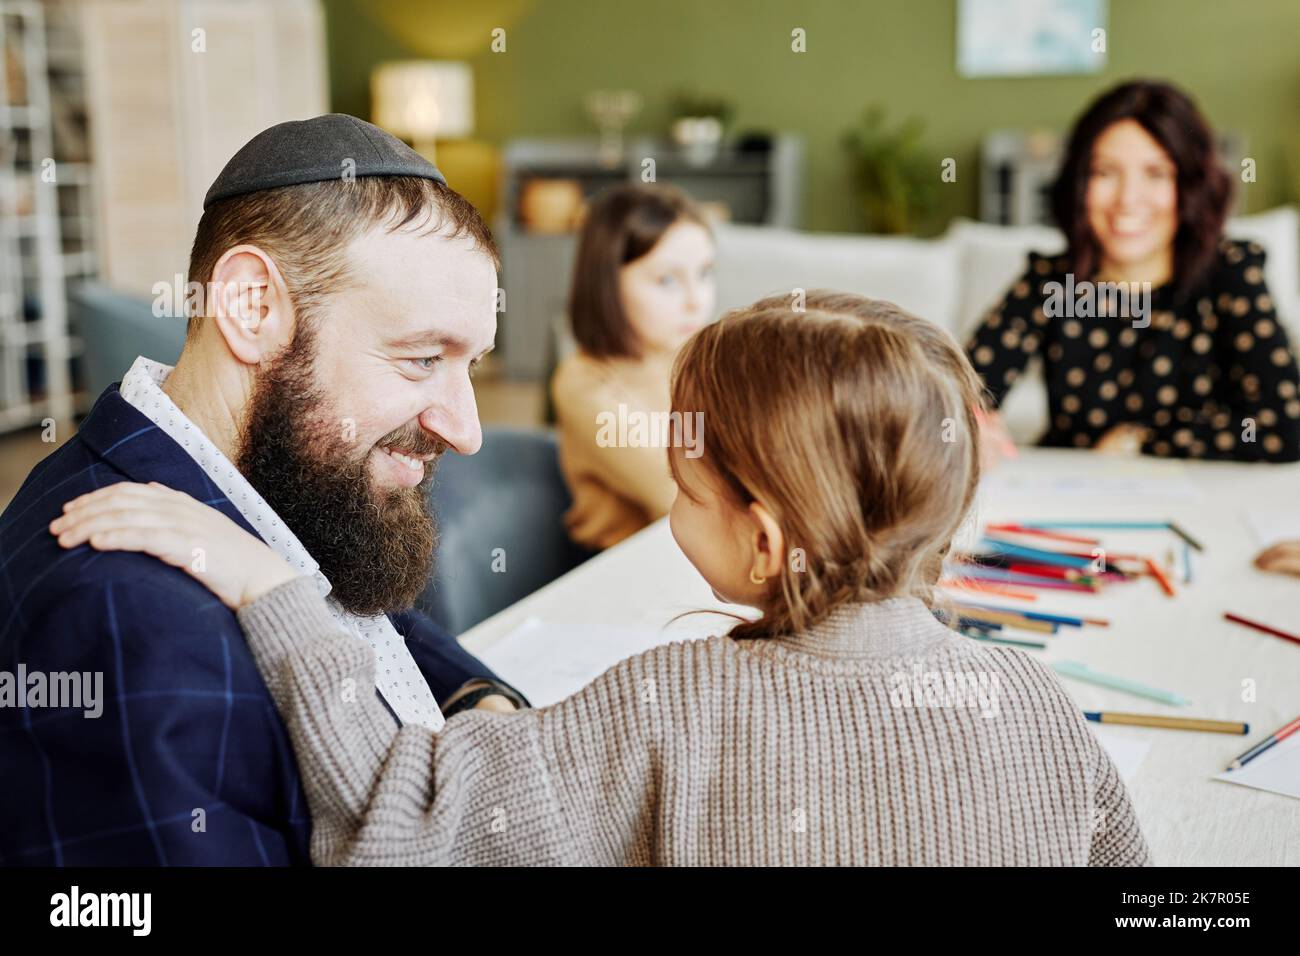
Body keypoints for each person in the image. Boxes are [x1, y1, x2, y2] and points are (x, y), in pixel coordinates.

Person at [59, 291, 1152, 866]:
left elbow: (410, 816)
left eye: (684, 486)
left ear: (763, 538)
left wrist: (272, 591)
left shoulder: (667, 704)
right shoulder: (1042, 705)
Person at [0, 114, 526, 866]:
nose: (466, 430)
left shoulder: (265, 488)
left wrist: (482, 705)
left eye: (469, 364)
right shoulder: (126, 627)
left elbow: (370, 623)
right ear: (250, 308)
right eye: (419, 360)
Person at [967, 80, 1300, 461]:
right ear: (1079, 184)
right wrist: (971, 429)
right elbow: (958, 395)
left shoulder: (1230, 275)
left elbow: (1286, 428)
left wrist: (1138, 443)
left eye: (1156, 173)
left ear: (1189, 186)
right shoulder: (1051, 283)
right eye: (1105, 173)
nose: (1127, 200)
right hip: (1068, 497)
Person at [551, 184, 716, 549]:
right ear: (608, 284)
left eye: (705, 273)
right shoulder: (584, 383)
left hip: (702, 555)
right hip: (626, 567)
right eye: (668, 280)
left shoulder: (690, 357)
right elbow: (681, 494)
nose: (696, 300)